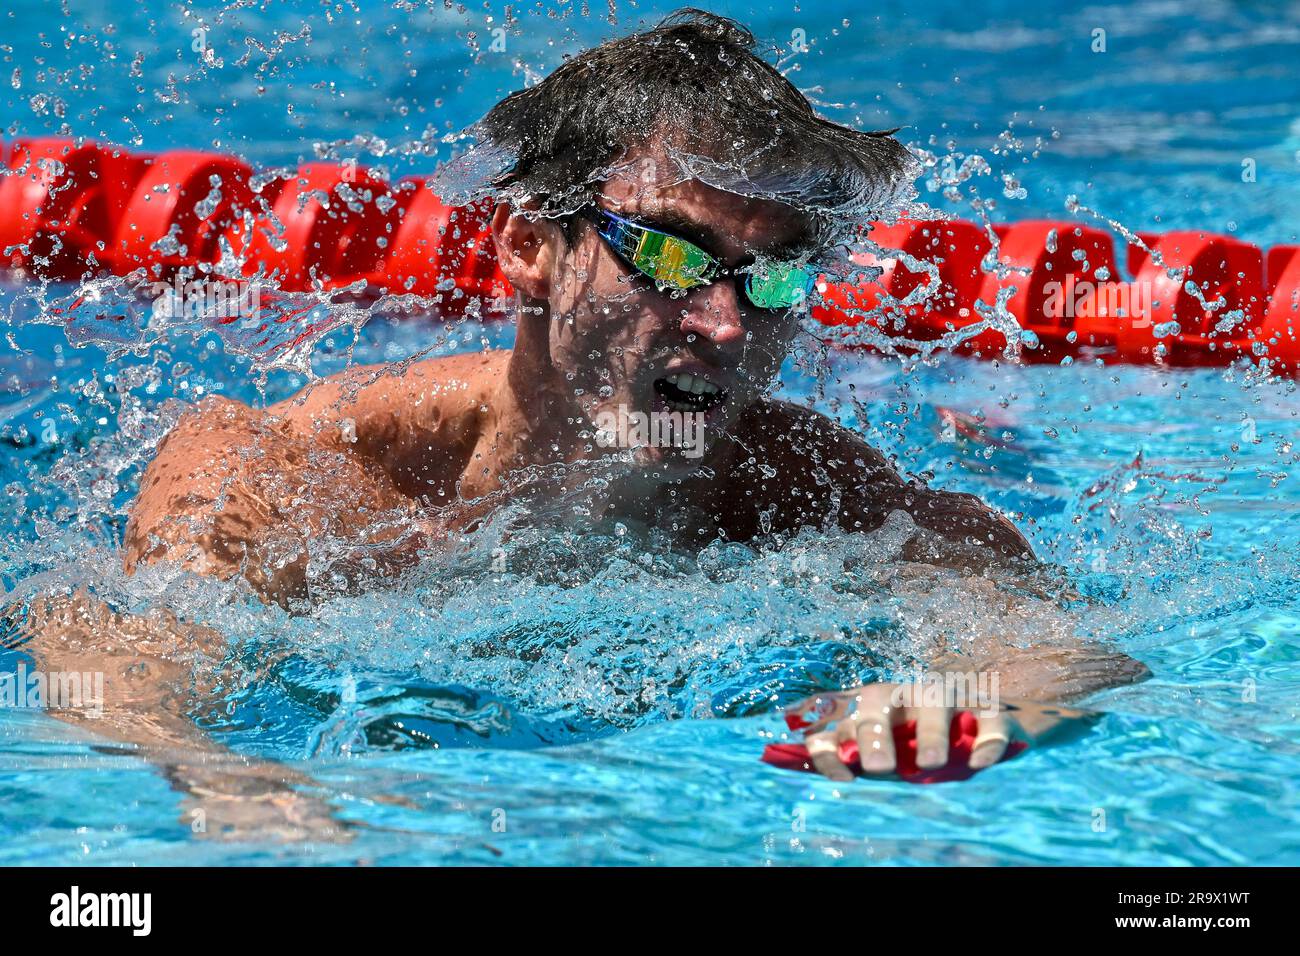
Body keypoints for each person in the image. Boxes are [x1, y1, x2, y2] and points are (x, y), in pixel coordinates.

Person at [45, 10, 1145, 796]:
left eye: (772, 276)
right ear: (526, 246)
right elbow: (103, 653)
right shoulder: (302, 471)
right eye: (670, 254)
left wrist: (981, 706)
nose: (725, 323)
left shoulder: (803, 493)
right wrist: (234, 789)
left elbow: (1055, 641)